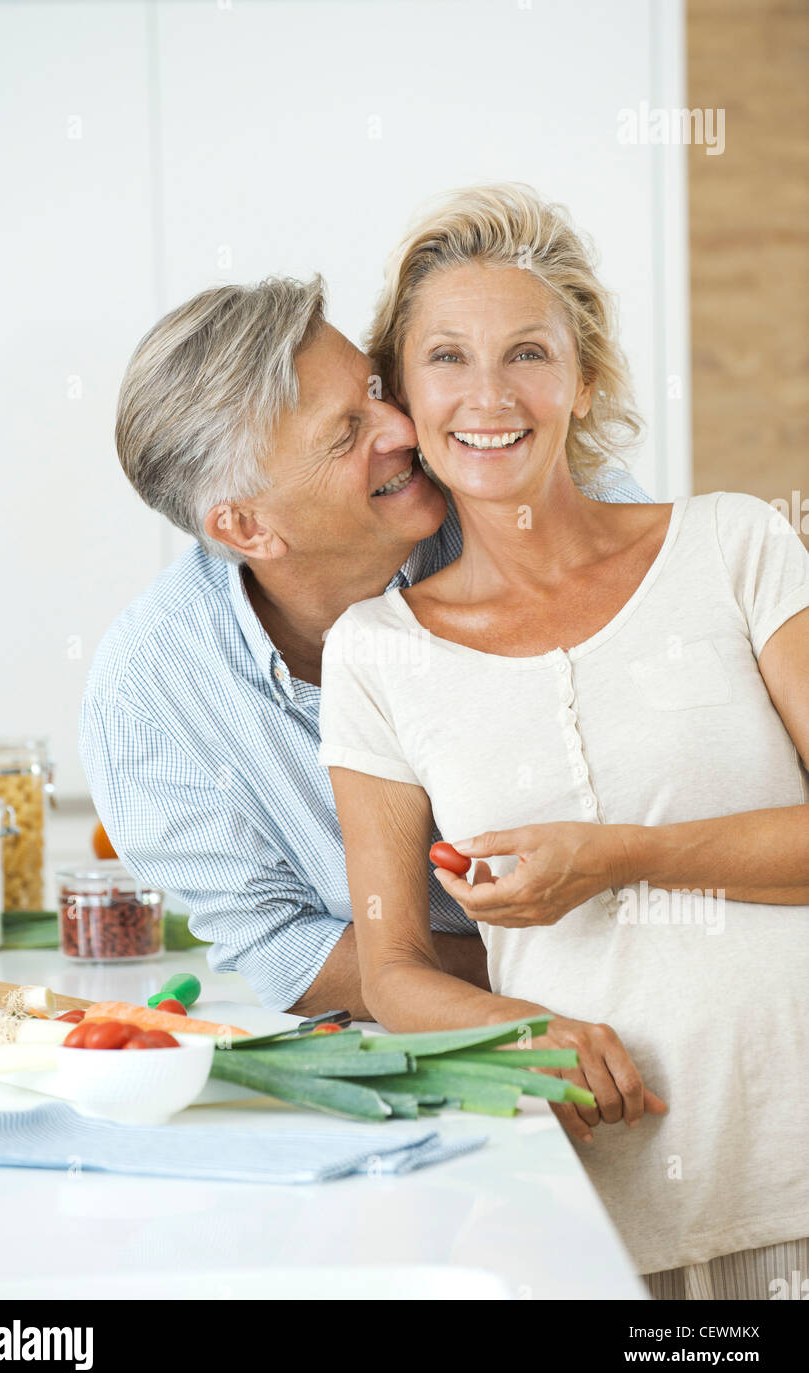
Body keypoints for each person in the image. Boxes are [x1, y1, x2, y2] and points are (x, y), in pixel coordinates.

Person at [317, 182, 809, 1296]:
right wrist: (523, 1023)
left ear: (585, 382)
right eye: (447, 357)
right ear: (403, 398)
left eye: (528, 353)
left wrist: (617, 853)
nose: (488, 396)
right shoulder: (376, 652)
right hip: (603, 1206)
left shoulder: (736, 547)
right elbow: (393, 967)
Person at [79, 272, 651, 1019]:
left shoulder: (548, 502)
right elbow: (283, 947)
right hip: (445, 1040)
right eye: (346, 433)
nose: (404, 429)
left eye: (378, 389)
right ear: (247, 529)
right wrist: (543, 990)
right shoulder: (146, 697)